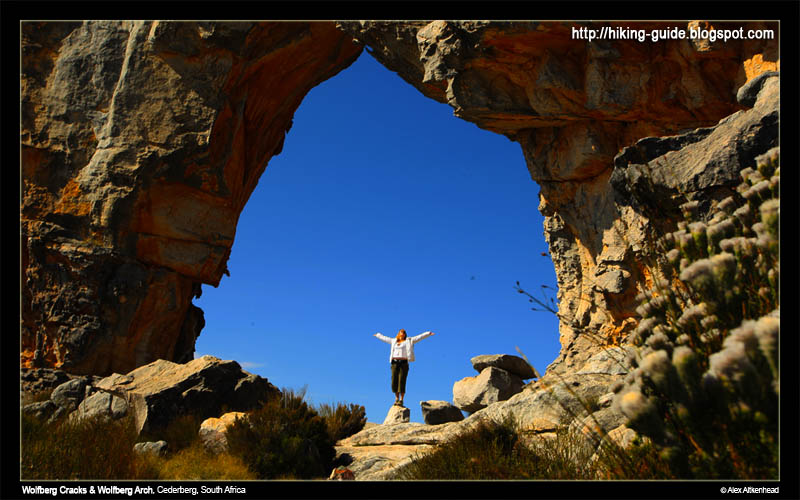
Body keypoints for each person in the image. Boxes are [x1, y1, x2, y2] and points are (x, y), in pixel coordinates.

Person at [373, 329, 435, 407]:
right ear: (398, 334)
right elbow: (385, 338)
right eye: (401, 333)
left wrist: (428, 333)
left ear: (405, 334)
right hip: (394, 363)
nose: (402, 334)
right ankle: (396, 398)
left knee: (402, 381)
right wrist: (378, 335)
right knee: (394, 381)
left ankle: (401, 399)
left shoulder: (409, 340)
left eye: (404, 333)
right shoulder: (393, 341)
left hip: (404, 363)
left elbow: (419, 337)